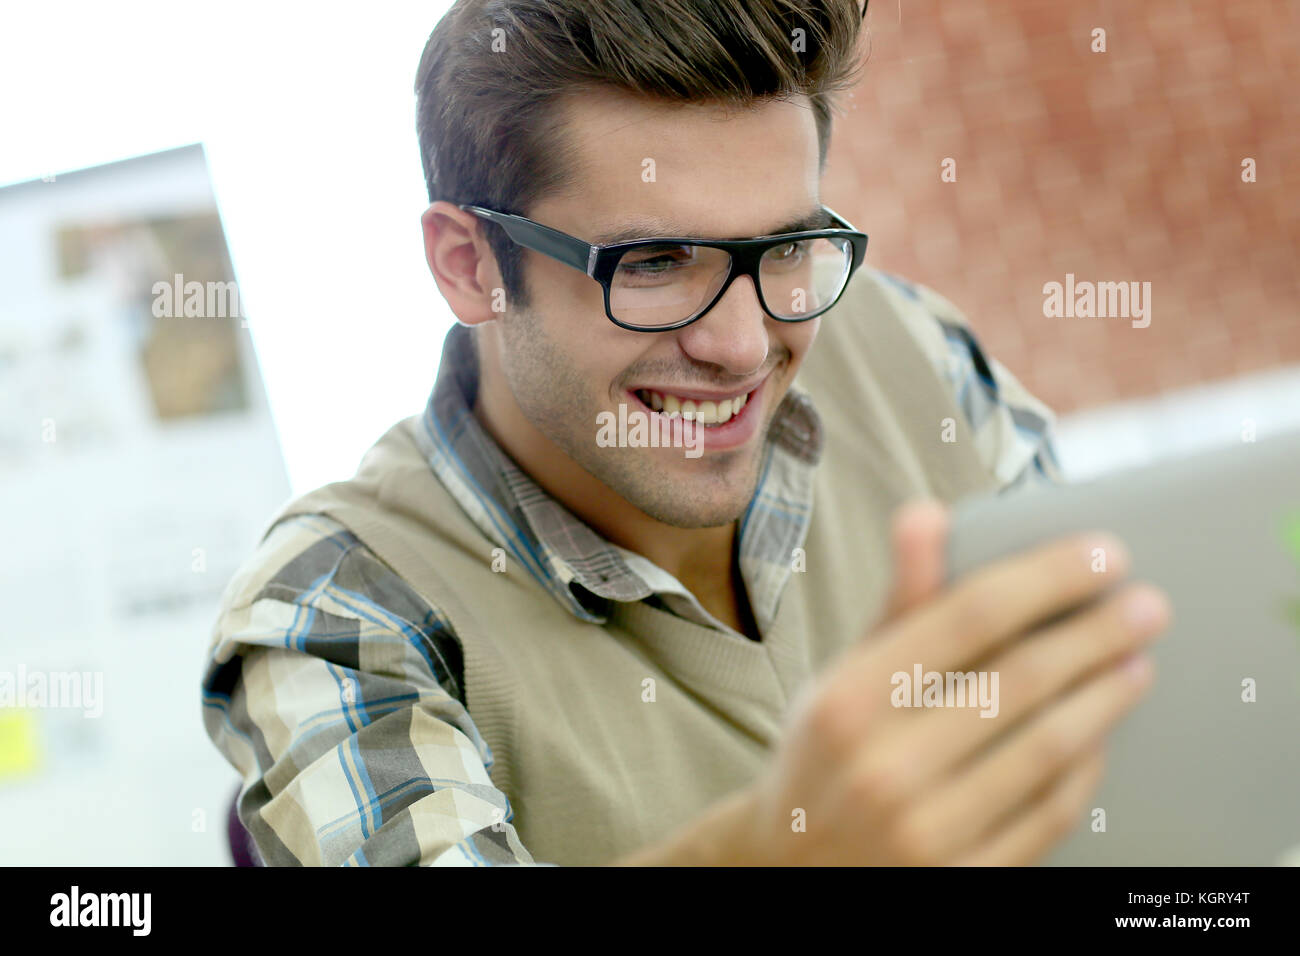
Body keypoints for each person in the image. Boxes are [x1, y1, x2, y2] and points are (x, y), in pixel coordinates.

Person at [201, 0, 1171, 866]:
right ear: (470, 263)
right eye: (656, 261)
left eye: (784, 247)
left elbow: (1137, 742)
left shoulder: (902, 344)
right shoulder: (337, 608)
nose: (744, 345)